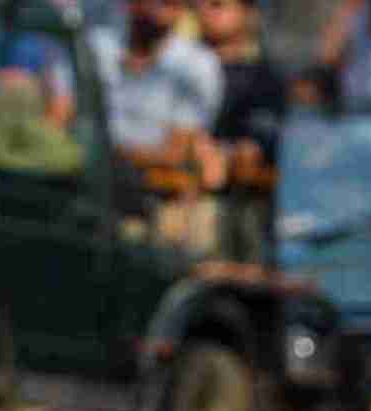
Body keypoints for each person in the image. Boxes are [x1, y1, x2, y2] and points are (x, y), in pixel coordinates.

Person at [90, 0, 227, 250]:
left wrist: (108, 152)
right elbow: (61, 119)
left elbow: (175, 151)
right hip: (86, 192)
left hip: (155, 202)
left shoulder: (197, 65)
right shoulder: (95, 47)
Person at [197, 0, 287, 262]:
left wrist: (221, 154)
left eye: (217, 5)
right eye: (200, 5)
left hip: (237, 209)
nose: (205, 12)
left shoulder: (264, 78)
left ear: (247, 14)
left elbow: (255, 149)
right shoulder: (181, 66)